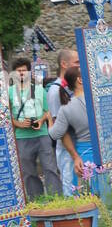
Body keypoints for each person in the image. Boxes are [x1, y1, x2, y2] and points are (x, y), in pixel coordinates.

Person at [8, 56, 61, 199]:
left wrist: (41, 120)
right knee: (29, 172)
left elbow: (48, 111)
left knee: (50, 168)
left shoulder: (39, 89)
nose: (21, 73)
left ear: (29, 72)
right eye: (18, 71)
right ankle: (36, 201)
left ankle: (56, 200)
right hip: (22, 137)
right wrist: (19, 123)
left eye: (24, 71)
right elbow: (6, 116)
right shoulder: (9, 93)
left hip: (41, 134)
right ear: (13, 73)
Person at [47, 64, 94, 185]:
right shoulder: (96, 98)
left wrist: (49, 119)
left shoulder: (66, 108)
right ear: (80, 80)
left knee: (88, 194)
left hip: (85, 153)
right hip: (106, 149)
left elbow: (55, 134)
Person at [46, 47, 78, 194]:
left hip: (79, 143)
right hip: (67, 148)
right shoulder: (55, 91)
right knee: (70, 186)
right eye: (76, 62)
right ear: (64, 64)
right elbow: (60, 128)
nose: (79, 65)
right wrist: (73, 154)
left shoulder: (76, 86)